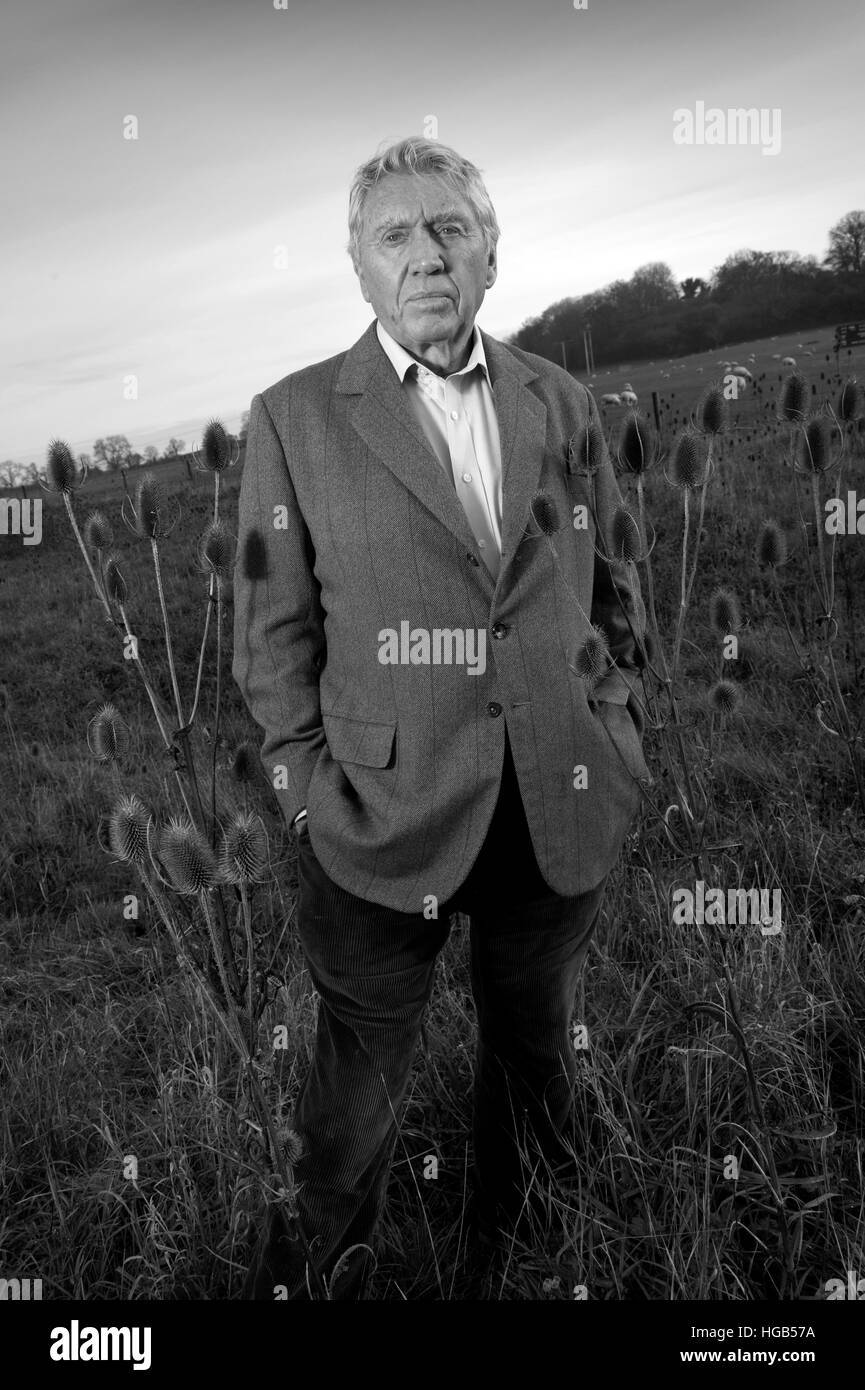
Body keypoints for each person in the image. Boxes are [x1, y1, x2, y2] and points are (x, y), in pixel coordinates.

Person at [232, 136, 652, 1299]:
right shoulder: (295, 418)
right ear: (359, 268)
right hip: (378, 814)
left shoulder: (559, 400)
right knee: (356, 1089)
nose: (426, 255)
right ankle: (319, 1269)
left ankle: (519, 1248)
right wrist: (308, 794)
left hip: (553, 795)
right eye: (395, 236)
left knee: (534, 1047)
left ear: (491, 253)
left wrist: (611, 717)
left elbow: (615, 582)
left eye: (449, 229)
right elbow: (269, 642)